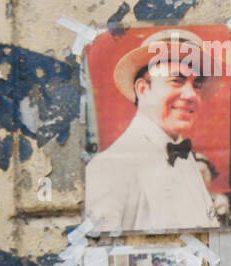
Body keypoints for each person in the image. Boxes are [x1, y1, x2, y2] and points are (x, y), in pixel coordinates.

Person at [85, 28, 221, 232]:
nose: (191, 95)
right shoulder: (108, 168)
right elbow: (102, 257)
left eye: (197, 85)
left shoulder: (188, 160)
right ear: (143, 89)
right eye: (177, 81)